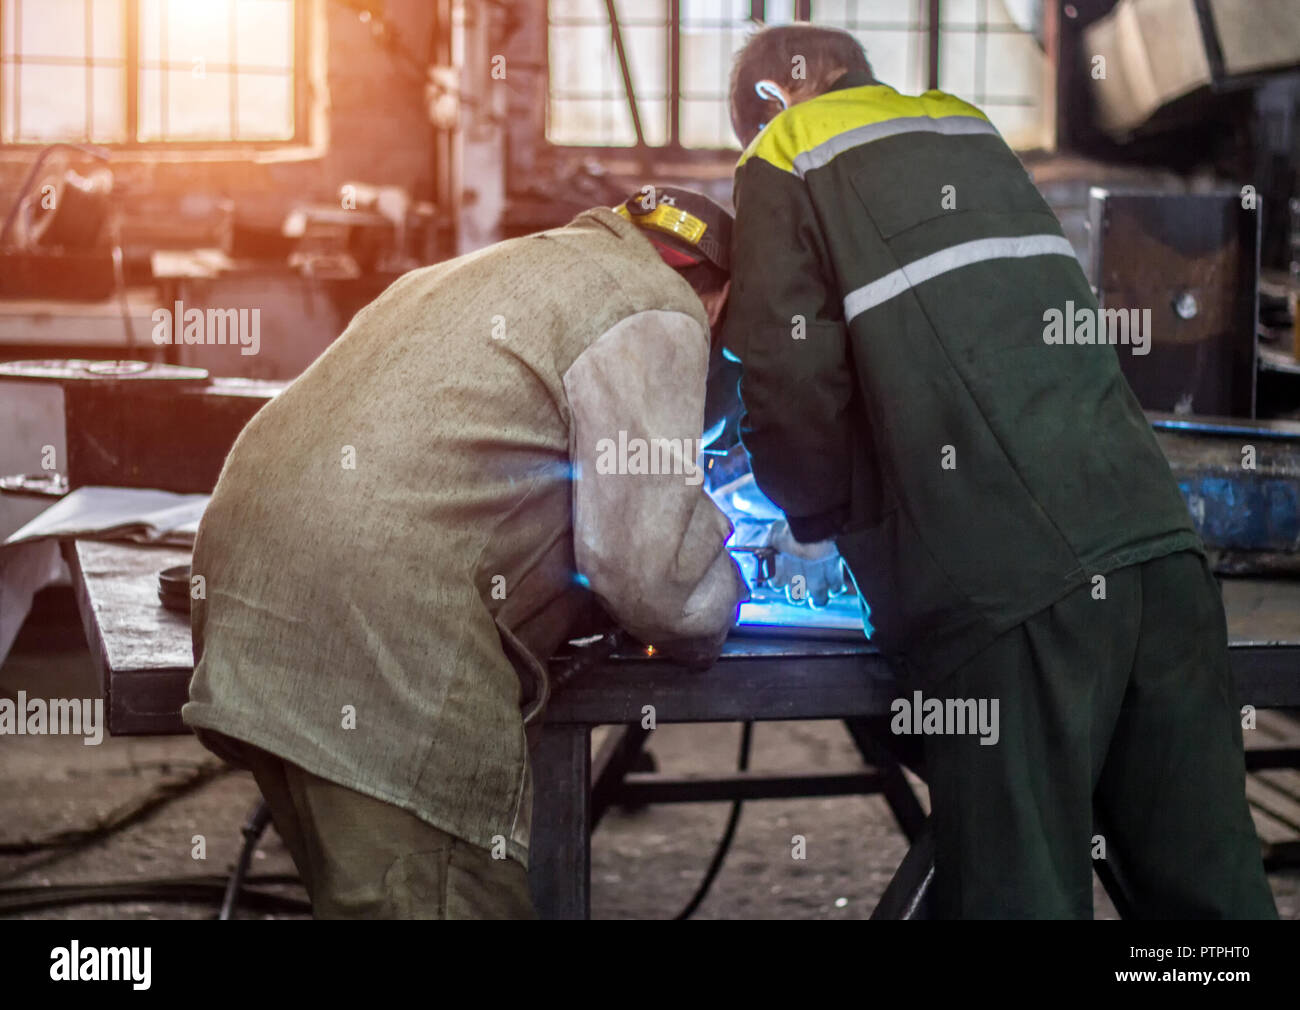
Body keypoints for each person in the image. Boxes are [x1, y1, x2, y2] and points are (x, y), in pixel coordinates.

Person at [722, 24, 1276, 919]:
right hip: (1161, 552)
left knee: (1021, 896)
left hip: (1013, 593)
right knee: (1210, 904)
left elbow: (787, 379)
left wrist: (814, 524)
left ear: (773, 98)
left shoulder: (782, 153)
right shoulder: (965, 126)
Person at [183, 186, 748, 919]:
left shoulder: (489, 271)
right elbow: (650, 577)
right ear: (721, 298)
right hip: (385, 649)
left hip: (253, 616)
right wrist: (731, 585)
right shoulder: (658, 308)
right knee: (448, 892)